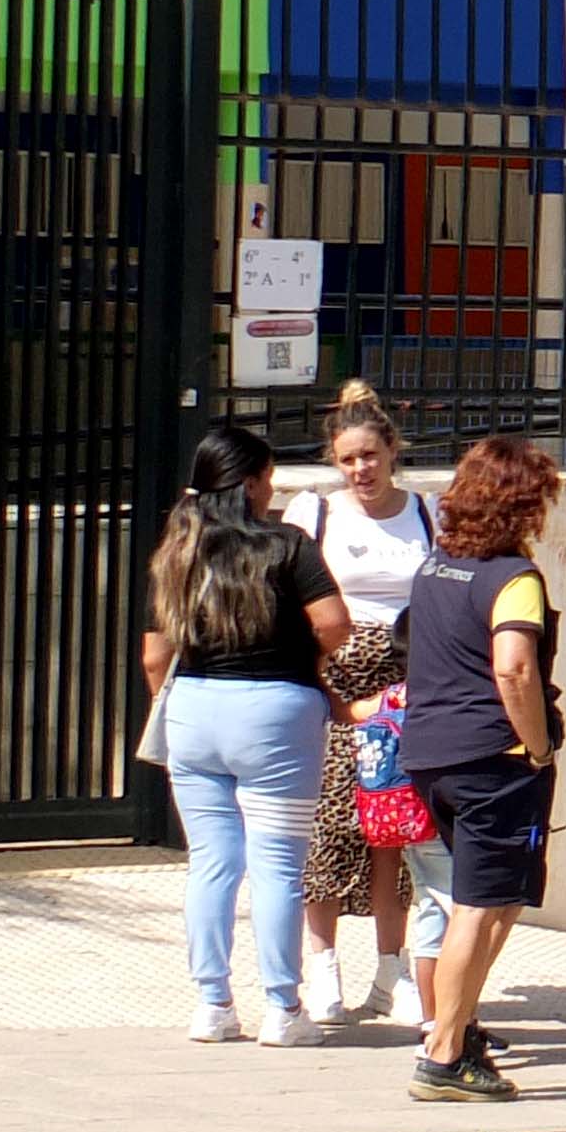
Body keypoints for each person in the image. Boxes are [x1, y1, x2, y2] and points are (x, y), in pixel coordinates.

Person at [138, 421, 352, 1047]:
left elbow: (156, 656)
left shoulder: (178, 549)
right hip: (277, 713)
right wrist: (307, 664)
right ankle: (283, 1010)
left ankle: (212, 1003)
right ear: (254, 483)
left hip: (194, 710)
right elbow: (334, 624)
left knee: (211, 863)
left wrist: (172, 708)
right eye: (268, 480)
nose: (271, 490)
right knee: (279, 866)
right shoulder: (289, 545)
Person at [395, 434, 566, 1105]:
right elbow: (514, 667)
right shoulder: (513, 579)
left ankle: (457, 1027)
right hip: (494, 759)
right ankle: (444, 1051)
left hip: (430, 755)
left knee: (494, 900)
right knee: (478, 905)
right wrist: (539, 747)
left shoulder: (435, 570)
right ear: (523, 505)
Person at [284, 382, 445, 1026]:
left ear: (393, 451)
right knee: (326, 829)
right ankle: (322, 966)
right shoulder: (314, 514)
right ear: (333, 459)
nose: (361, 470)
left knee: (393, 830)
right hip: (335, 689)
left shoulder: (427, 512)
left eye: (371, 456)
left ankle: (391, 970)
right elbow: (290, 603)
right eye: (348, 459)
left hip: (407, 690)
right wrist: (325, 687)